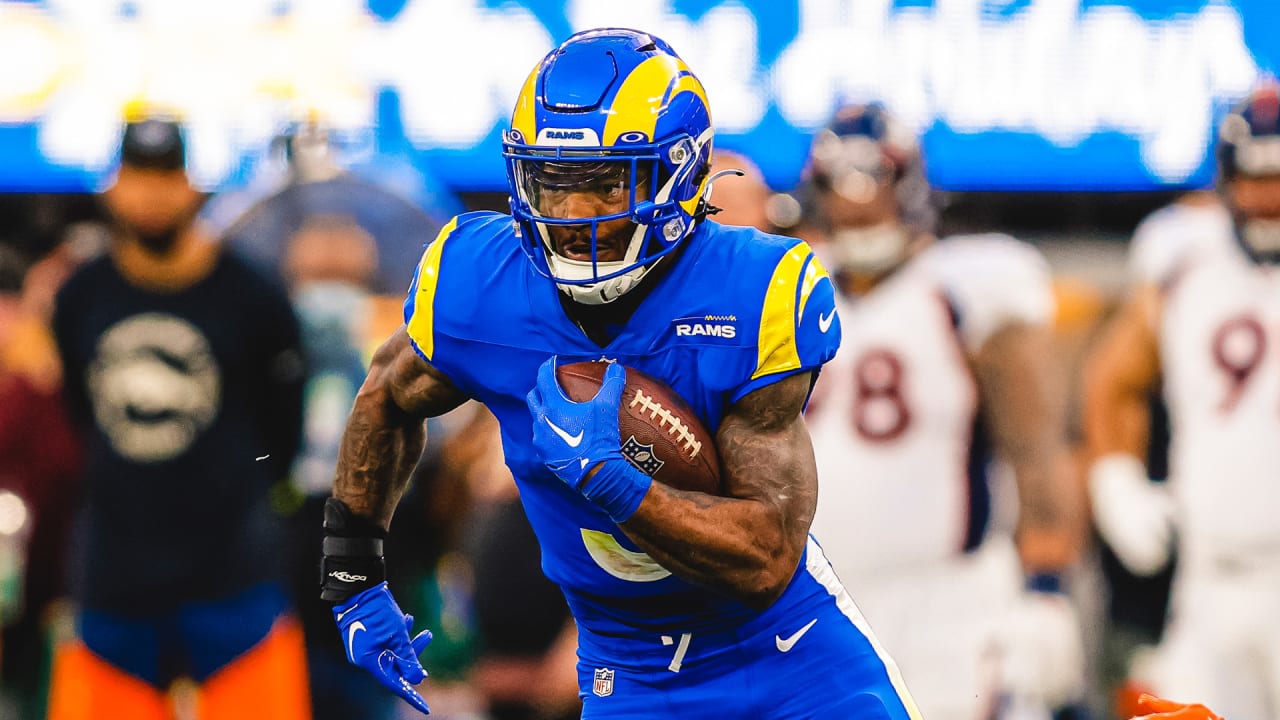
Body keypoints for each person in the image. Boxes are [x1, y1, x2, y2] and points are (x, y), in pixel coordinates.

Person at [320, 28, 920, 719]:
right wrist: (354, 573)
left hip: (791, 659)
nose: (572, 216)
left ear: (680, 173)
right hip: (629, 676)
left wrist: (616, 482)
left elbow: (766, 559)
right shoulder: (480, 283)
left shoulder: (750, 291)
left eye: (605, 183)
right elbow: (387, 394)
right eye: (553, 182)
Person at [798, 104, 1086, 720]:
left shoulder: (969, 287)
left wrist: (1048, 587)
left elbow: (1038, 449)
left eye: (871, 185)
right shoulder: (789, 293)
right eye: (839, 187)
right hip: (816, 602)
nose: (855, 206)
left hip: (949, 602)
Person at [47, 116, 310, 720]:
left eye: (167, 177)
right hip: (114, 579)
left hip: (234, 578)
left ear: (192, 186)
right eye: (139, 177)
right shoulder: (80, 295)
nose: (153, 194)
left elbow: (283, 434)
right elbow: (81, 416)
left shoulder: (254, 295)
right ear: (113, 187)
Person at [1082, 81, 1280, 720]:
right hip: (1209, 580)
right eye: (1254, 177)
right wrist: (1117, 478)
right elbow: (1115, 378)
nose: (1268, 196)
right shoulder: (1185, 257)